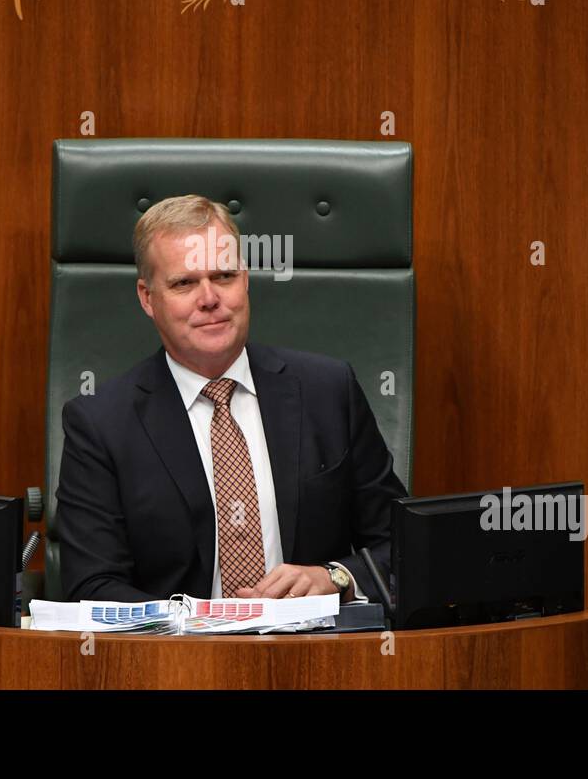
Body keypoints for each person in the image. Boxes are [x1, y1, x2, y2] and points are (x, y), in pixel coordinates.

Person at [53, 194, 408, 602]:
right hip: (175, 660)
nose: (209, 298)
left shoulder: (328, 391)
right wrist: (204, 624)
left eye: (223, 276)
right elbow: (91, 585)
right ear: (148, 298)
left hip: (318, 653)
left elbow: (404, 547)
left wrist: (336, 578)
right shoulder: (99, 424)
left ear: (244, 278)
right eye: (184, 283)